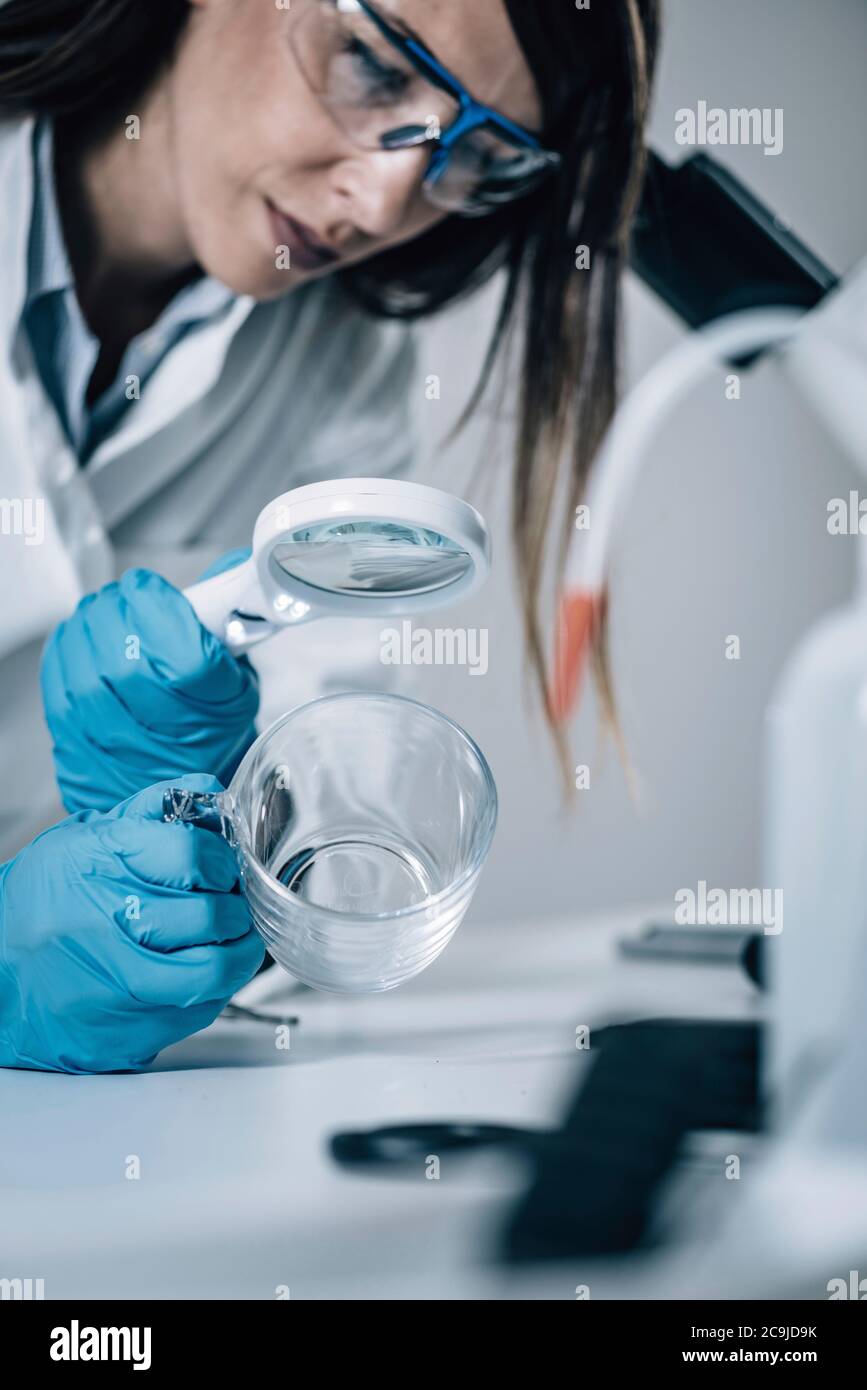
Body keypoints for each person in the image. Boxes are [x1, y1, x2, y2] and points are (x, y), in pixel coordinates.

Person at [0, 0, 659, 1072]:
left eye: (479, 152)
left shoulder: (347, 361)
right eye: (372, 65)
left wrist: (220, 828)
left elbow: (339, 894)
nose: (387, 197)